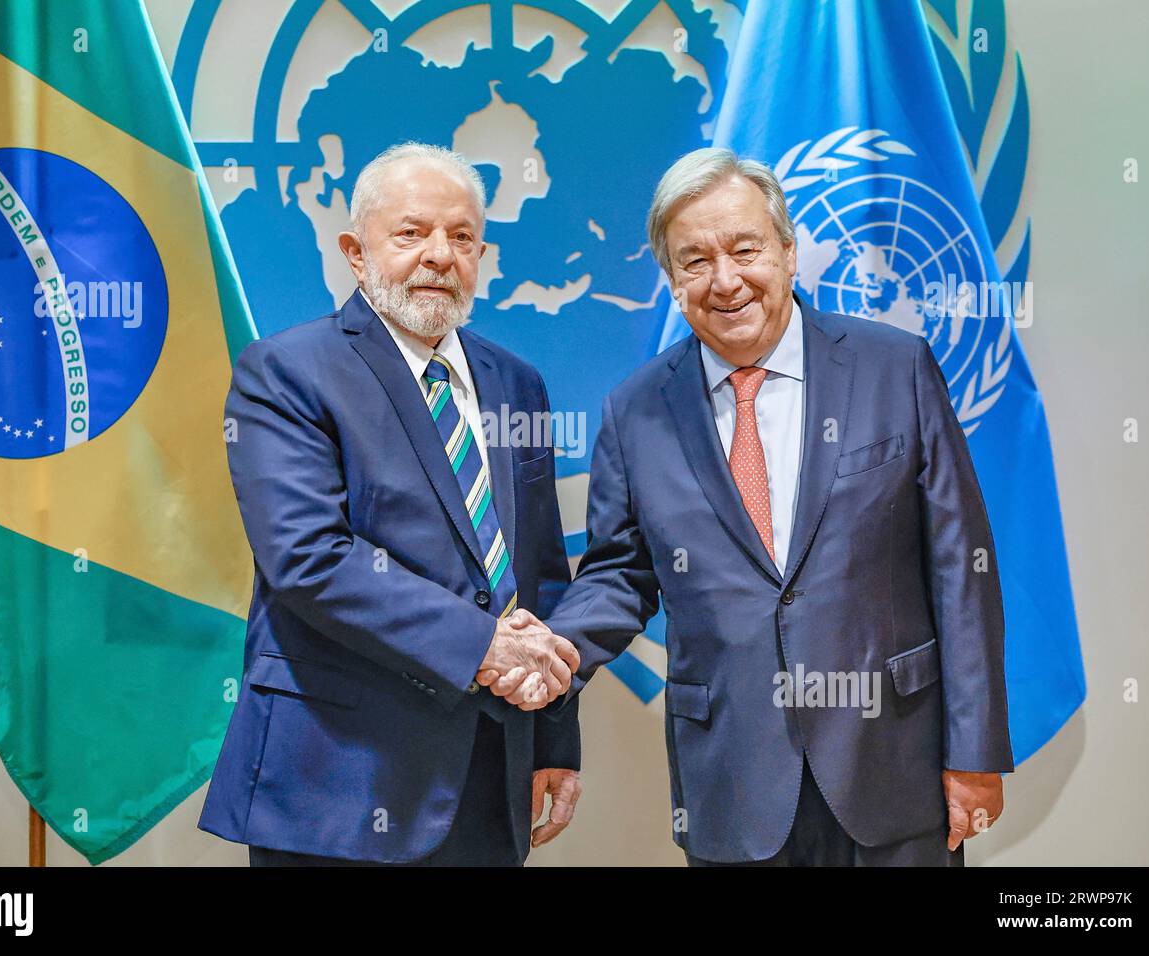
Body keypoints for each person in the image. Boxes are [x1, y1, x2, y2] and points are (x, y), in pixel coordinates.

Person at [511, 147, 1012, 866]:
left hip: (892, 768)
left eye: (745, 249)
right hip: (733, 784)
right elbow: (620, 575)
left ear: (788, 251)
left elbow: (962, 572)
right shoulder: (636, 410)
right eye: (694, 260)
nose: (725, 280)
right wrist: (555, 652)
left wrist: (974, 753)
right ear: (671, 281)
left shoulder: (894, 367)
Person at [199, 143, 582, 866]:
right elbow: (310, 560)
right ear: (355, 250)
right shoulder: (285, 372)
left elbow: (540, 574)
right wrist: (483, 645)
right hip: (337, 782)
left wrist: (554, 736)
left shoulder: (516, 384)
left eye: (462, 236)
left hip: (488, 772)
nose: (440, 255)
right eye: (411, 233)